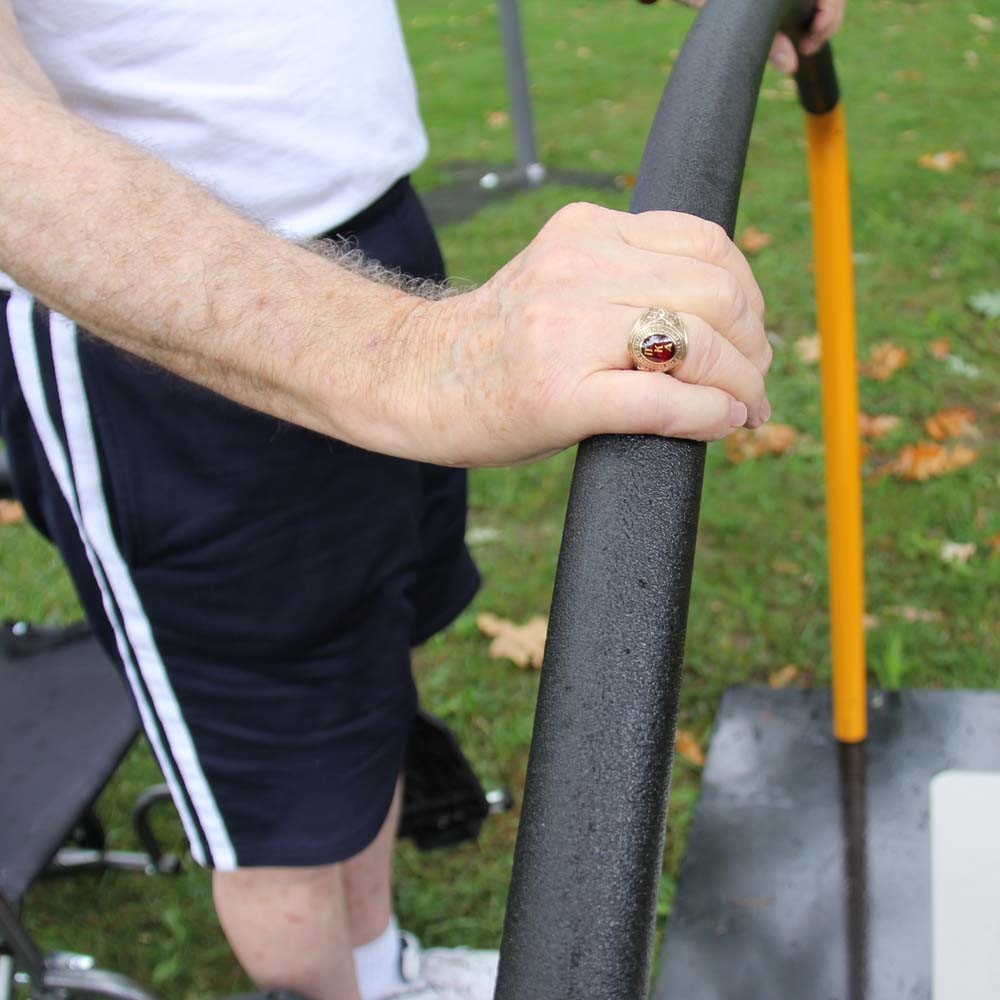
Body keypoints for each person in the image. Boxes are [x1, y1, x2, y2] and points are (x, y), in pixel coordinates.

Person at [0, 2, 845, 998]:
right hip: (166, 323)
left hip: (371, 232)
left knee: (364, 680)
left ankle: (378, 969)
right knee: (282, 792)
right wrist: (409, 355)